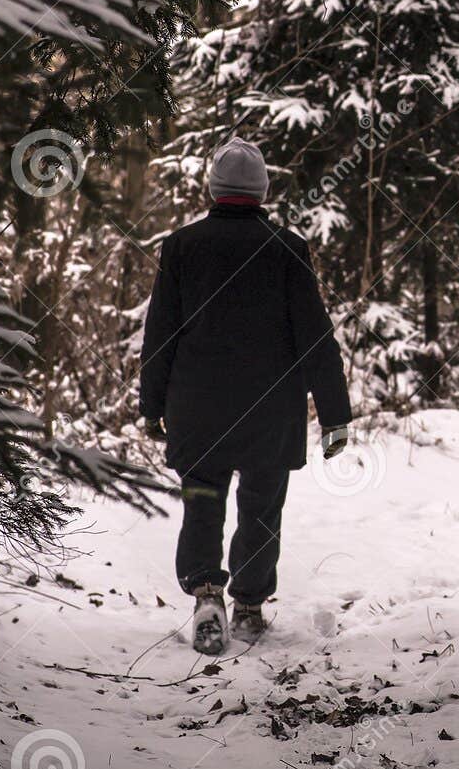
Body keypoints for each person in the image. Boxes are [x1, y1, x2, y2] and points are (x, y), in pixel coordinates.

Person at [139, 138, 352, 654]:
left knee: (203, 500)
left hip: (198, 405)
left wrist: (151, 404)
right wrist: (334, 414)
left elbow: (160, 332)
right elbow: (314, 337)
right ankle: (251, 606)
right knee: (260, 504)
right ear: (261, 191)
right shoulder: (286, 248)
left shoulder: (182, 246)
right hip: (270, 408)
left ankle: (207, 593)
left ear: (213, 188)